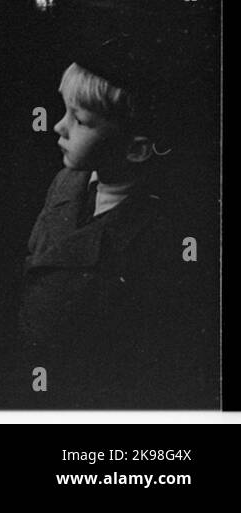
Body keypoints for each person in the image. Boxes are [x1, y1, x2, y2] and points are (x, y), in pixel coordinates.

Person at [13, 41, 187, 408]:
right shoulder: (67, 181)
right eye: (65, 112)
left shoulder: (156, 236)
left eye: (80, 120)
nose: (59, 126)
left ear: (136, 150)